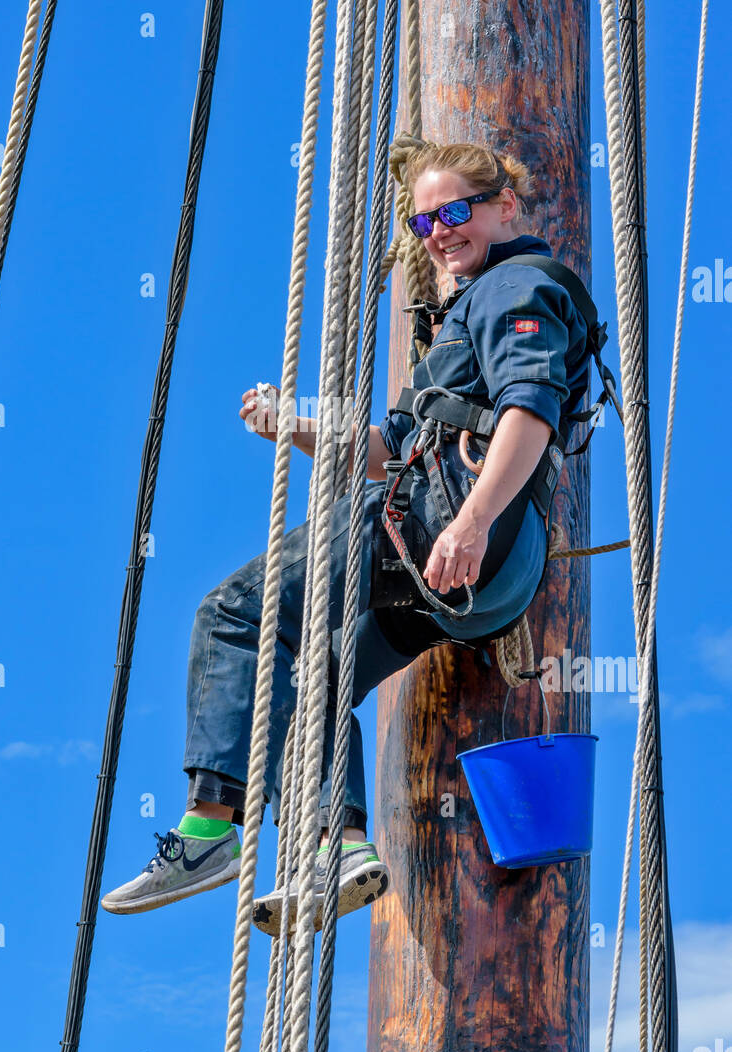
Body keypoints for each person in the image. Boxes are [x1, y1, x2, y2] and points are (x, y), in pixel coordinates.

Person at [100, 137, 592, 934]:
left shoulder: (514, 287)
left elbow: (528, 411)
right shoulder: (463, 318)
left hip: (448, 524)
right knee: (309, 674)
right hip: (468, 567)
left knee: (231, 617)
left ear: (506, 207)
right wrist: (286, 423)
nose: (438, 231)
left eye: (457, 211)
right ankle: (343, 845)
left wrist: (470, 522)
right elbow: (384, 451)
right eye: (424, 219)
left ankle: (209, 829)